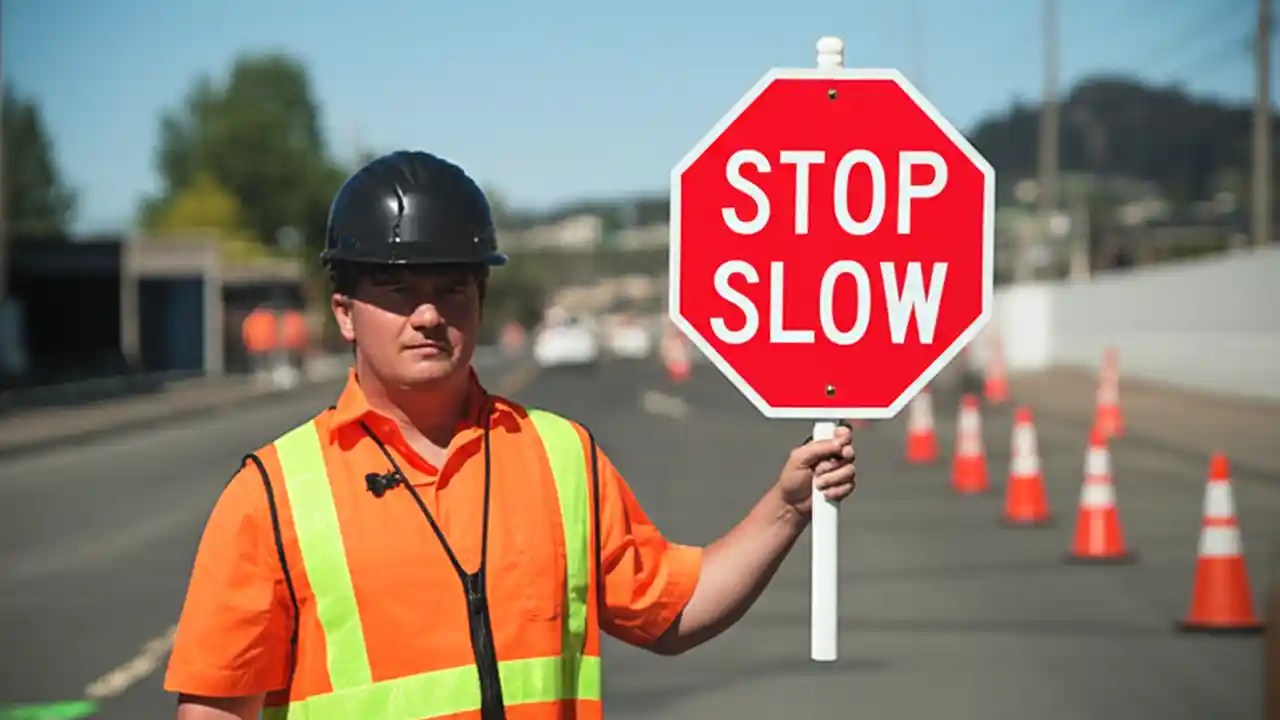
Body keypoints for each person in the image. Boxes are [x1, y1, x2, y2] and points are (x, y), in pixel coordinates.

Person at [163, 150, 857, 720]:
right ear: (346, 314)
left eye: (453, 289)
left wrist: (787, 507)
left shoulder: (561, 458)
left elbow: (672, 612)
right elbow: (215, 709)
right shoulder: (274, 493)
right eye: (399, 291)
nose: (429, 314)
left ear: (482, 302)